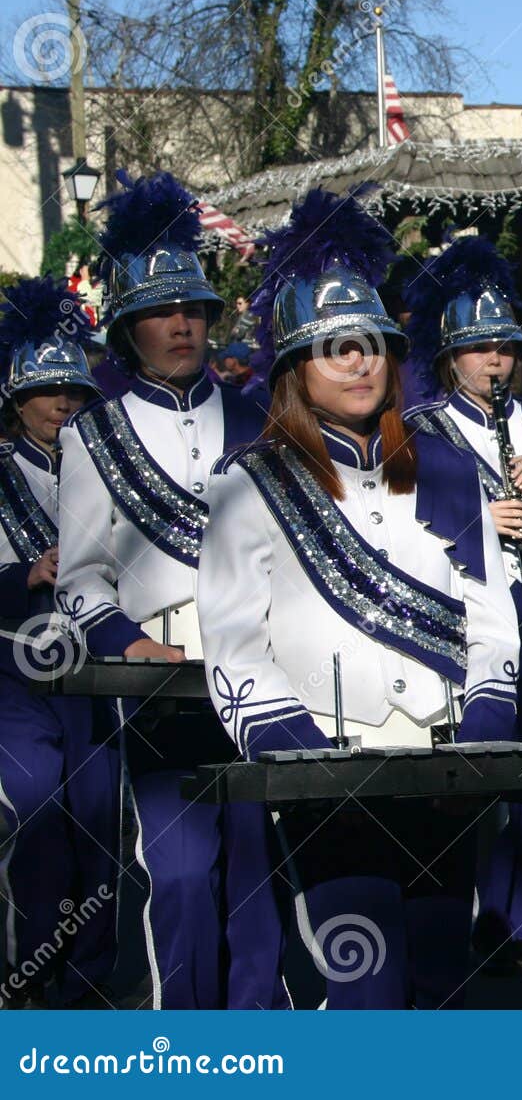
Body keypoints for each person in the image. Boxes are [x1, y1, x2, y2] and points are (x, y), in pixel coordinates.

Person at [198, 190, 521, 1009]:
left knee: (443, 983)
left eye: (372, 345)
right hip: (325, 782)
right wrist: (305, 762)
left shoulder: (448, 470)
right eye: (333, 348)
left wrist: (483, 730)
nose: (359, 362)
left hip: (444, 772)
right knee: (363, 990)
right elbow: (236, 648)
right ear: (295, 368)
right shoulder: (251, 484)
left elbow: (491, 621)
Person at [54, 171, 282, 1010]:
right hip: (159, 687)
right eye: (160, 311)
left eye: (193, 309)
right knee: (180, 876)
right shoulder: (94, 435)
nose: (181, 324)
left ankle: (265, 1045)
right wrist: (132, 643)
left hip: (265, 674)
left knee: (260, 878)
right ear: (128, 328)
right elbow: (81, 581)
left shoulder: (260, 418)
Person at [401, 235, 522, 973]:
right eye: (479, 349)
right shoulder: (420, 429)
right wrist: (482, 520)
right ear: (450, 358)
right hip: (470, 615)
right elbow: (407, 527)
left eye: (504, 347)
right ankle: (474, 915)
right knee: (476, 766)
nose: (495, 361)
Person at [0, 277, 118, 1007]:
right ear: (16, 400)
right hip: (15, 671)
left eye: (74, 390)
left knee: (99, 823)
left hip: (96, 670)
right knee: (38, 814)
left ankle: (89, 978)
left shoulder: (108, 468)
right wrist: (23, 575)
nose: (63, 403)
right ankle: (30, 973)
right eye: (47, 391)